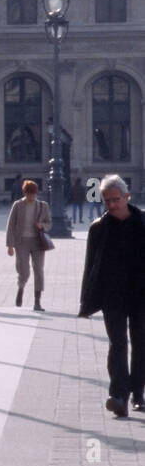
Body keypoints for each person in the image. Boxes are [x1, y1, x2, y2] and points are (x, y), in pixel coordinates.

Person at [78, 174, 145, 416]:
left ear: (127, 197)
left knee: (141, 344)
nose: (112, 205)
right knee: (117, 344)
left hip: (140, 294)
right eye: (107, 201)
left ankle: (139, 394)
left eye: (116, 200)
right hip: (112, 295)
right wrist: (86, 302)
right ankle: (119, 395)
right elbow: (90, 267)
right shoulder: (99, 228)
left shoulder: (142, 222)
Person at [5, 179, 52, 311]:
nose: (31, 197)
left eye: (33, 194)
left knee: (39, 270)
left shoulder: (43, 206)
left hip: (38, 241)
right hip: (22, 242)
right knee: (24, 270)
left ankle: (37, 301)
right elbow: (10, 225)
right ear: (24, 193)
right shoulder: (18, 205)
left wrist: (42, 225)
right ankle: (21, 287)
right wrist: (10, 245)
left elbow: (49, 223)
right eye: (28, 194)